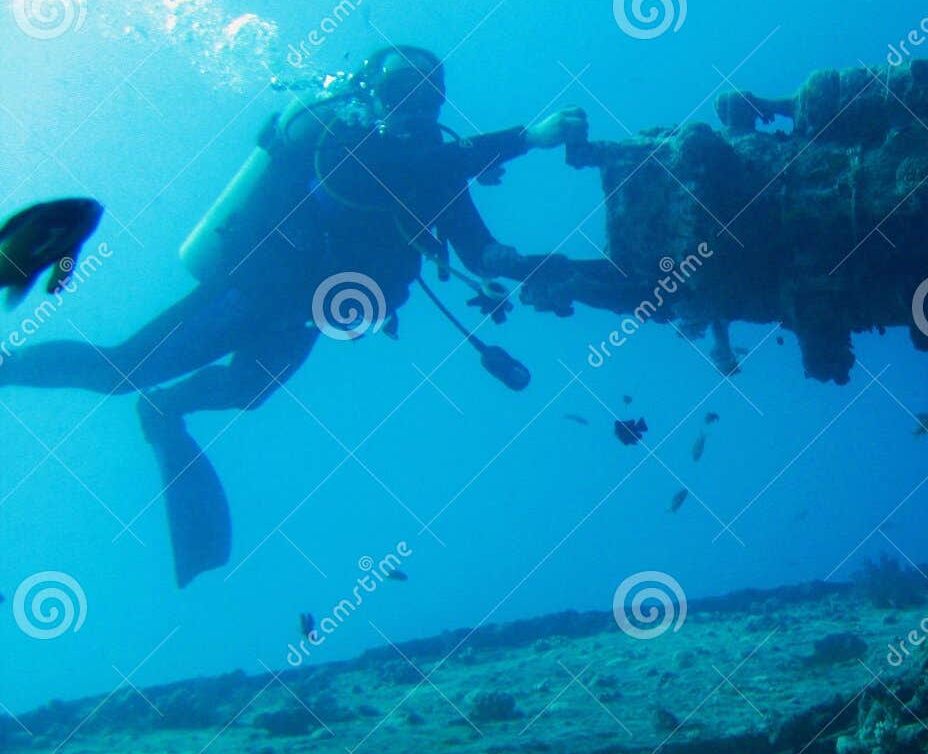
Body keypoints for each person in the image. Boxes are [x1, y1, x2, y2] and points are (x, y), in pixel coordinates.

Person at [0, 45, 586, 585]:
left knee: (243, 393)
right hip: (248, 293)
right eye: (404, 92)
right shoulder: (351, 143)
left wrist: (512, 262)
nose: (417, 105)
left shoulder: (444, 176)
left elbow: (475, 246)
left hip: (305, 320)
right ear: (377, 97)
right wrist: (526, 138)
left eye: (429, 96)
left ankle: (164, 411)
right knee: (120, 370)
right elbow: (405, 169)